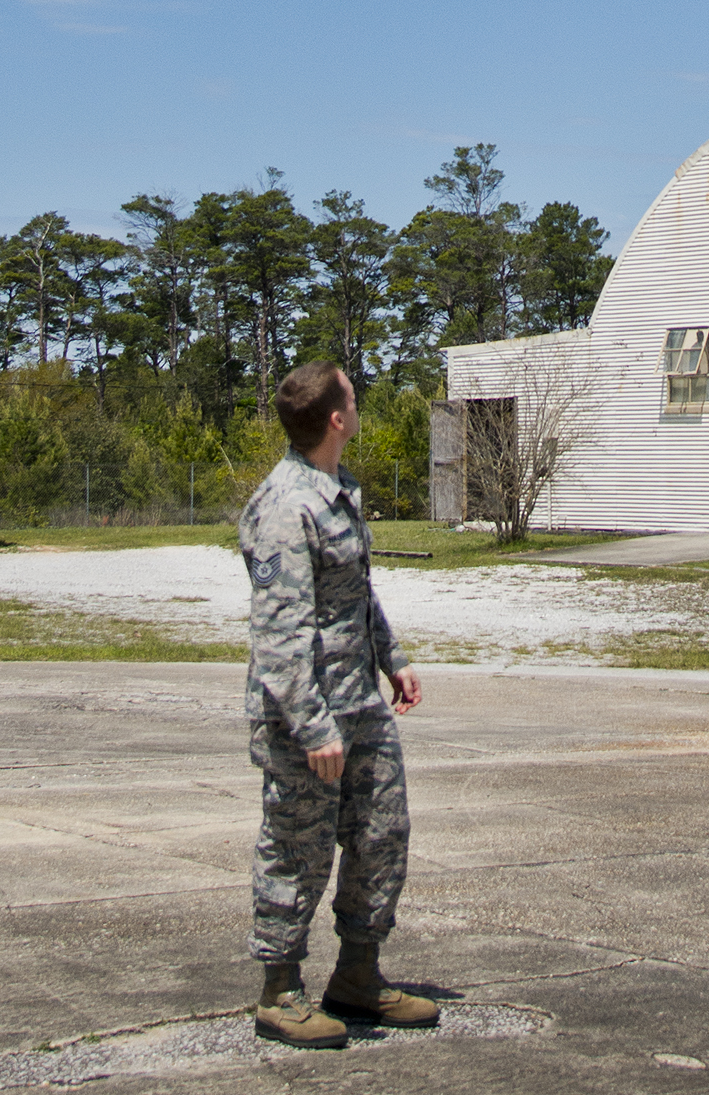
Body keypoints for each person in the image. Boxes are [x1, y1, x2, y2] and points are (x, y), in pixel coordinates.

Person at [238, 359, 439, 1047]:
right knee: (297, 849)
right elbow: (281, 631)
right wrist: (312, 725)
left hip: (360, 703)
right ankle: (280, 990)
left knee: (383, 834)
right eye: (351, 397)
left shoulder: (337, 488)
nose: (358, 405)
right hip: (308, 718)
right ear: (334, 418)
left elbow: (354, 591)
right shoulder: (284, 505)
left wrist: (394, 658)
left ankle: (358, 975)